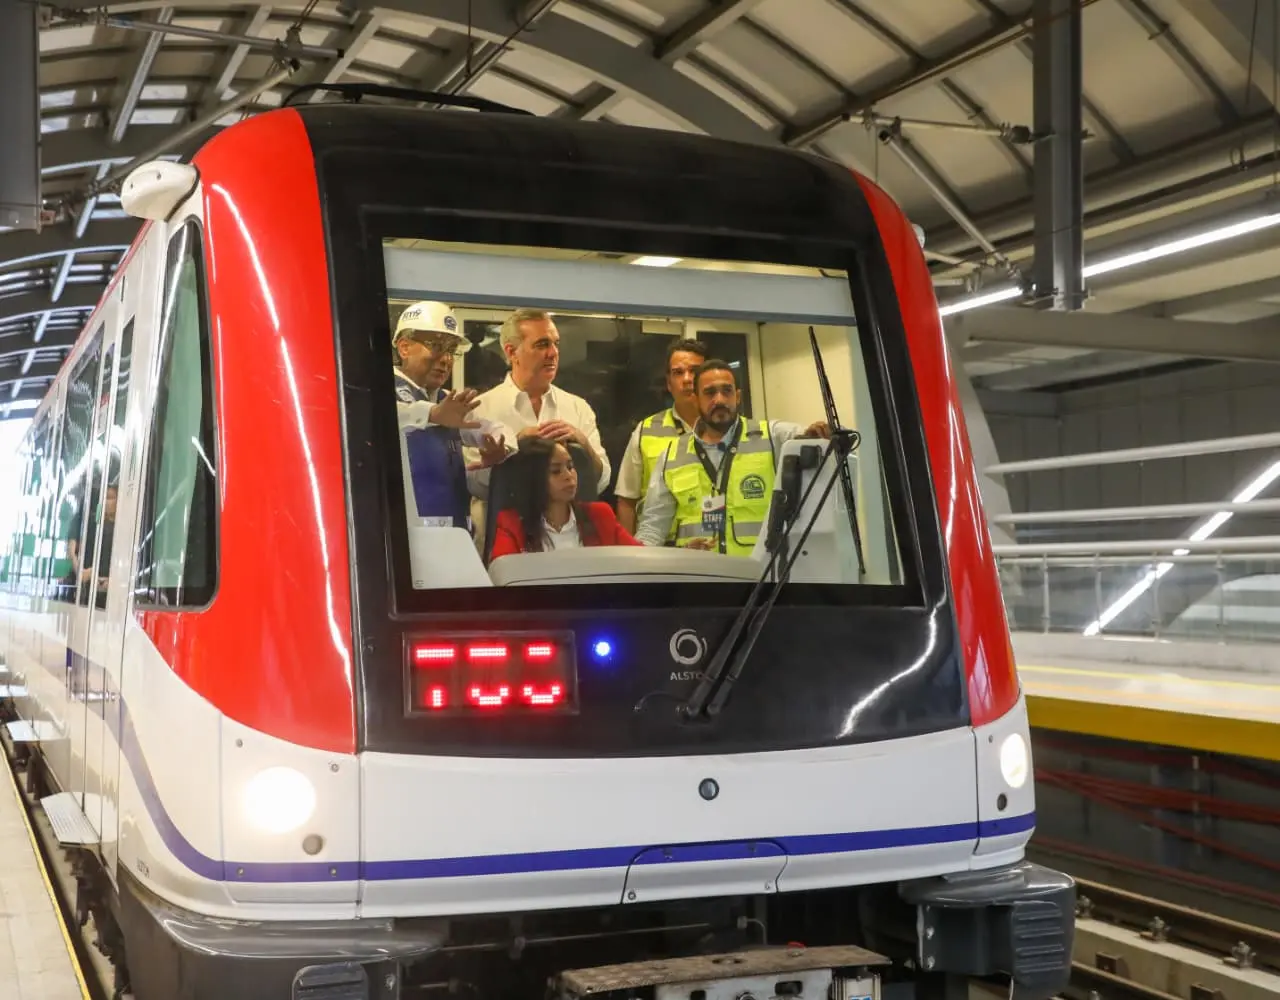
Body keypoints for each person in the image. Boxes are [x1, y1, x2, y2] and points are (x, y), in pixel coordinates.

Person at [635, 360, 830, 556]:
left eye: (727, 391)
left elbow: (819, 439)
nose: (719, 400)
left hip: (758, 575)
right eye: (710, 393)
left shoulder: (771, 437)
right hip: (697, 575)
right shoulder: (672, 455)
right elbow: (652, 529)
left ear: (737, 397)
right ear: (695, 399)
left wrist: (818, 435)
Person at [469, 308, 611, 494]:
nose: (553, 353)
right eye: (542, 344)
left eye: (555, 344)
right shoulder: (481, 410)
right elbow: (472, 484)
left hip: (567, 522)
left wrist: (583, 445)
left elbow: (600, 482)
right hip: (504, 521)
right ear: (512, 352)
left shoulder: (577, 408)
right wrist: (516, 447)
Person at [393, 300, 509, 527]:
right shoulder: (374, 388)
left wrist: (498, 449)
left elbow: (486, 427)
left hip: (455, 534)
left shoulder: (446, 400)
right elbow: (399, 414)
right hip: (407, 538)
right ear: (404, 347)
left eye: (451, 350)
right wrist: (433, 414)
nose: (446, 359)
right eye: (436, 346)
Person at [489, 437, 640, 560]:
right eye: (556, 471)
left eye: (570, 466)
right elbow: (502, 575)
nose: (569, 476)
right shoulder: (511, 522)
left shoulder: (600, 515)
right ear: (533, 479)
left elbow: (637, 558)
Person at [615, 338, 707, 534]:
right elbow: (626, 501)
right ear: (668, 383)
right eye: (678, 372)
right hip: (660, 548)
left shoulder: (726, 427)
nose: (687, 379)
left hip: (713, 545)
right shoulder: (646, 430)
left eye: (695, 371)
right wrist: (629, 554)